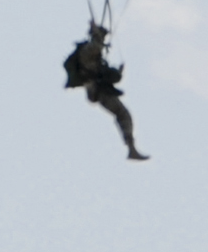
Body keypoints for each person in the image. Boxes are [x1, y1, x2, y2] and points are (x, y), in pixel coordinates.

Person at [62, 20, 148, 161]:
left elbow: (109, 77)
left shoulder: (95, 58)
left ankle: (131, 147)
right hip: (98, 91)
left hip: (100, 90)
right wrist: (96, 31)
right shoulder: (88, 51)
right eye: (103, 36)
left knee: (123, 115)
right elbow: (96, 45)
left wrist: (118, 72)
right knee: (123, 114)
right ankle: (131, 148)